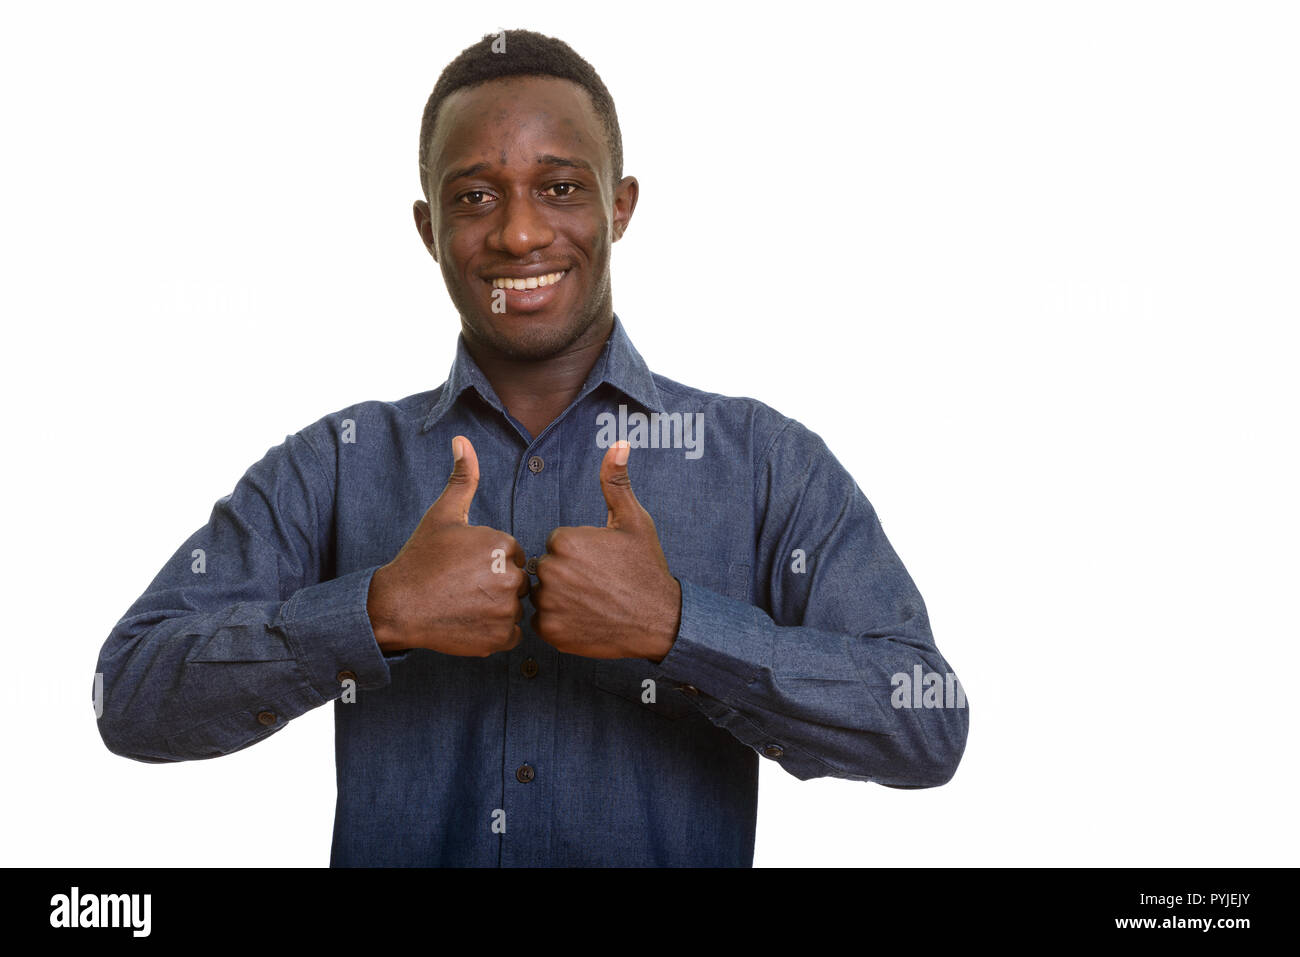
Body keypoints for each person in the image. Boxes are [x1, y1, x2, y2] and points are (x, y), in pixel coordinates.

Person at [95, 29, 968, 867]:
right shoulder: (333, 464)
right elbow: (128, 691)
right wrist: (376, 612)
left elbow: (926, 721)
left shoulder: (766, 462)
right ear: (428, 229)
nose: (518, 234)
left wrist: (678, 627)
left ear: (619, 206)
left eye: (560, 187)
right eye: (475, 197)